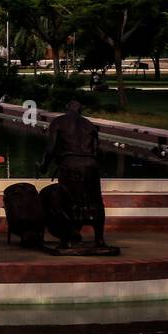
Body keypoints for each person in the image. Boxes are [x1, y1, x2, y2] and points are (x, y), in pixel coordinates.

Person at [39, 99, 108, 249]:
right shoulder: (89, 125)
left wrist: (43, 166)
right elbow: (97, 151)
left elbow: (50, 149)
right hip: (90, 165)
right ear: (80, 109)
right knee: (95, 201)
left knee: (67, 201)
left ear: (67, 107)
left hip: (70, 164)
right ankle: (99, 239)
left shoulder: (58, 122)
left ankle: (68, 239)